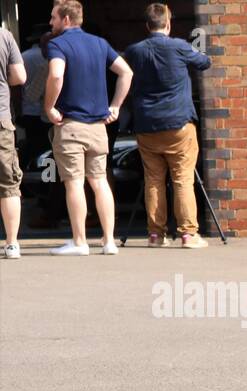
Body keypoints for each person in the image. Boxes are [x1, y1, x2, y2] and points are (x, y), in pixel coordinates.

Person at [44, 0, 132, 256]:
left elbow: (57, 74)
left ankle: (80, 241)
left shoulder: (57, 44)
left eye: (54, 18)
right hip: (98, 127)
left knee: (74, 183)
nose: (51, 23)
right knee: (100, 181)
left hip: (70, 125)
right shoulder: (100, 44)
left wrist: (50, 106)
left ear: (66, 19)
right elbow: (126, 72)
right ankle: (109, 241)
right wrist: (115, 106)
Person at [124, 3, 211, 248]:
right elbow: (204, 63)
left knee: (153, 180)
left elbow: (120, 68)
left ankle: (155, 235)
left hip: (146, 124)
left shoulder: (135, 51)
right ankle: (188, 234)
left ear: (147, 25)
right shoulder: (180, 47)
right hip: (178, 122)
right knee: (183, 178)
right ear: (169, 24)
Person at [1, 24, 27, 260]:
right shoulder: (5, 36)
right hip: (1, 119)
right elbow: (20, 76)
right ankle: (11, 244)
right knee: (8, 183)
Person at [18, 33, 49, 173]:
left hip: (33, 111)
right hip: (64, 119)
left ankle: (41, 178)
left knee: (37, 149)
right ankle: (49, 180)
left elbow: (30, 94)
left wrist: (18, 110)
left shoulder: (24, 56)